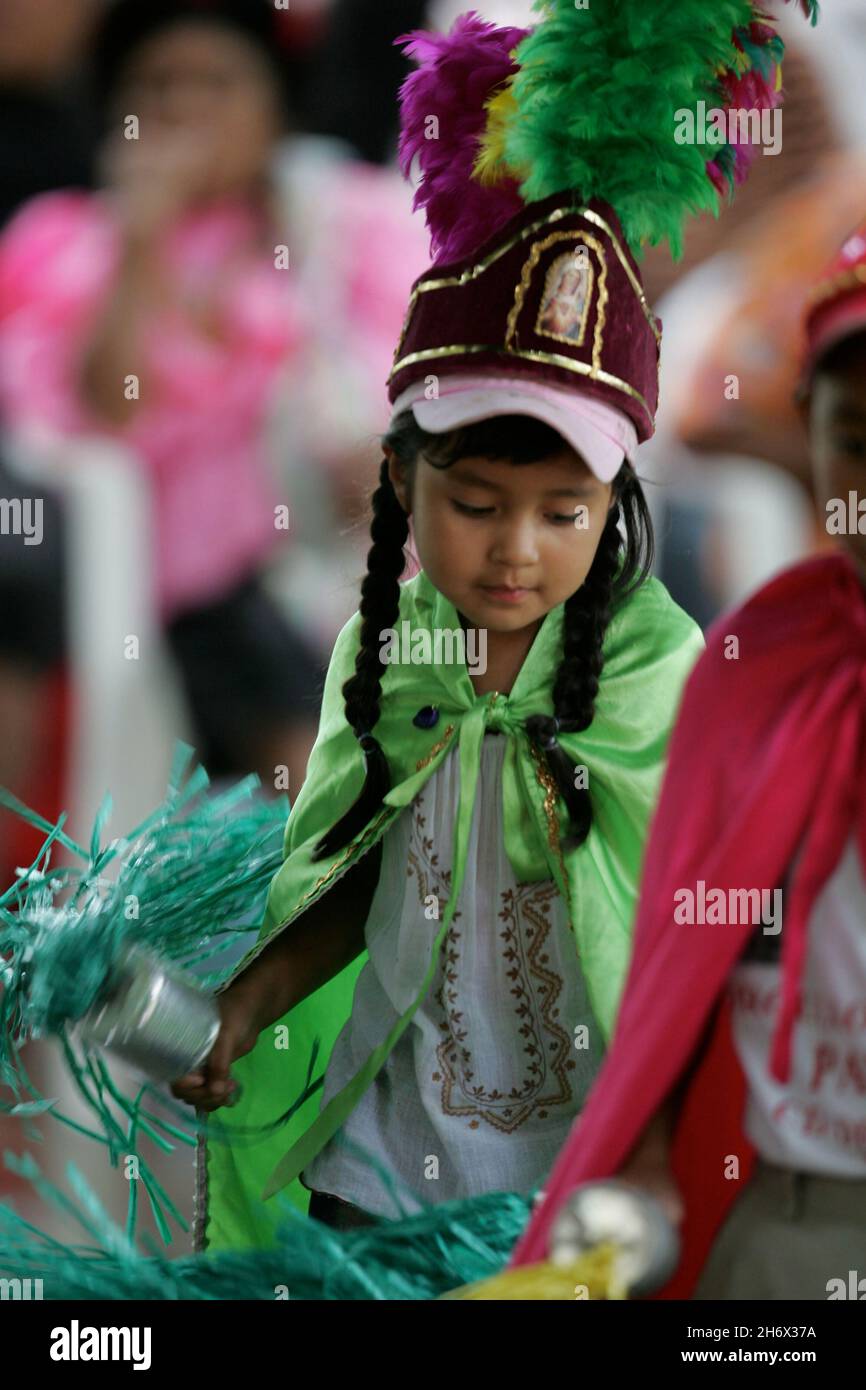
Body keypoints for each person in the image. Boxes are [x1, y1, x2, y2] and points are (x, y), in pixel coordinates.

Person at [171, 3, 806, 1255]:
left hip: (574, 1168)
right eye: (474, 506)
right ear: (404, 488)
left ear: (611, 507)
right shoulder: (384, 657)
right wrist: (250, 1005)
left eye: (559, 512)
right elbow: (352, 884)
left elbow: (701, 927)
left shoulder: (662, 674)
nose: (515, 550)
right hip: (388, 1165)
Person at [509, 220, 866, 1300]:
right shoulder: (754, 671)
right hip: (789, 1231)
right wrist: (652, 1149)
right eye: (854, 436)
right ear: (805, 434)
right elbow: (688, 949)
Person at [0, 0, 322, 793]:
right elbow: (102, 417)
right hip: (88, 580)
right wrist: (138, 246)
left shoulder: (303, 244)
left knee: (312, 771)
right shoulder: (57, 236)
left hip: (244, 586)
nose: (181, 107)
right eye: (157, 84)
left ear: (271, 114)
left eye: (216, 83)